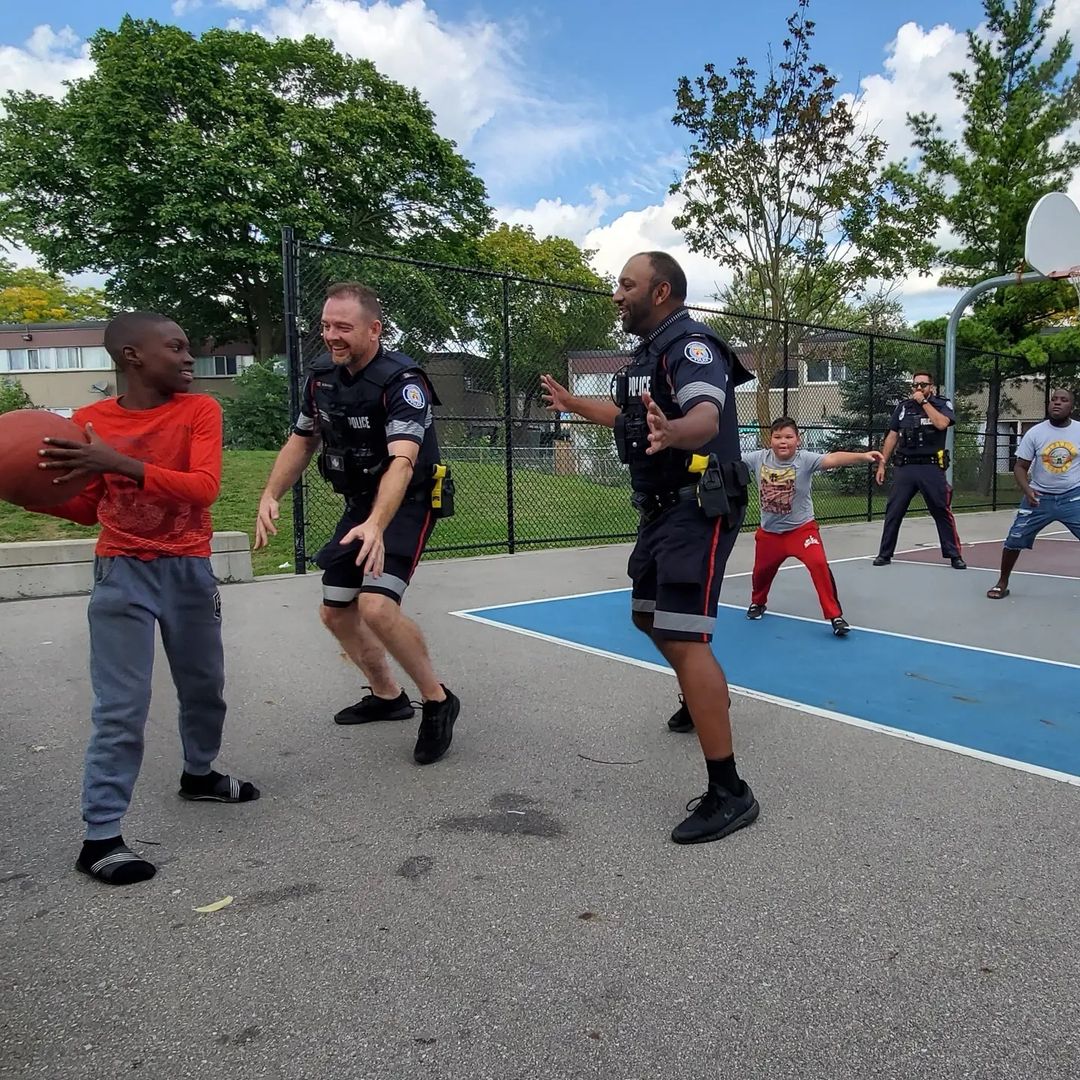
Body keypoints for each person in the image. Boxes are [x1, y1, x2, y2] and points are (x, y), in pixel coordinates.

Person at [32, 311, 259, 886]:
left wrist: (117, 462)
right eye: (176, 348)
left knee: (204, 687)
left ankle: (199, 774)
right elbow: (90, 506)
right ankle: (101, 836)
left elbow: (204, 488)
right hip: (121, 570)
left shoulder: (199, 410)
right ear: (132, 356)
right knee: (121, 707)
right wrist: (28, 492)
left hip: (189, 569)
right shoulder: (89, 423)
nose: (189, 358)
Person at [540, 251, 758, 846]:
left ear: (660, 291)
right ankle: (704, 694)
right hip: (661, 507)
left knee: (685, 635)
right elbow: (624, 416)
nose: (616, 294)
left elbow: (705, 417)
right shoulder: (645, 356)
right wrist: (573, 404)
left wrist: (674, 431)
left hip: (699, 504)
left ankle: (730, 793)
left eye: (626, 284)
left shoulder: (691, 345)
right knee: (647, 617)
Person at [254, 282, 459, 765]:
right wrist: (270, 494)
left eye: (343, 327)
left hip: (406, 503)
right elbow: (302, 440)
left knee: (376, 607)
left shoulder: (402, 382)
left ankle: (437, 700)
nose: (331, 335)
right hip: (360, 504)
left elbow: (403, 461)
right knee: (335, 611)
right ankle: (387, 696)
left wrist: (377, 525)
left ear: (374, 330)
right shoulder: (321, 378)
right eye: (326, 326)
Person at [742, 417, 883, 636]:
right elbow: (731, 459)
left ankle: (835, 616)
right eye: (777, 437)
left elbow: (833, 458)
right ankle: (758, 602)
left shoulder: (806, 459)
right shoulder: (758, 458)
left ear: (798, 440)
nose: (783, 441)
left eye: (788, 437)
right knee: (761, 573)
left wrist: (863, 456)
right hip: (770, 534)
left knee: (818, 564)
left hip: (801, 530)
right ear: (770, 440)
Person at [987, 388, 1079, 599]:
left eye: (1063, 400)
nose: (1057, 403)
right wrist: (1028, 490)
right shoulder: (1036, 433)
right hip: (1038, 498)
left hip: (1072, 497)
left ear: (1071, 407)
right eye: (1054, 399)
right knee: (1014, 540)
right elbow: (1020, 467)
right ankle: (1002, 582)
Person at [873, 371, 967, 569]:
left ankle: (954, 555)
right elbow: (892, 436)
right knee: (894, 510)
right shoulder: (903, 408)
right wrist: (882, 463)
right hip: (906, 467)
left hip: (931, 467)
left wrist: (924, 402)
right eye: (915, 385)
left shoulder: (941, 404)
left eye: (923, 385)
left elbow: (942, 424)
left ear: (931, 387)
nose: (918, 388)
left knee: (941, 510)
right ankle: (884, 554)